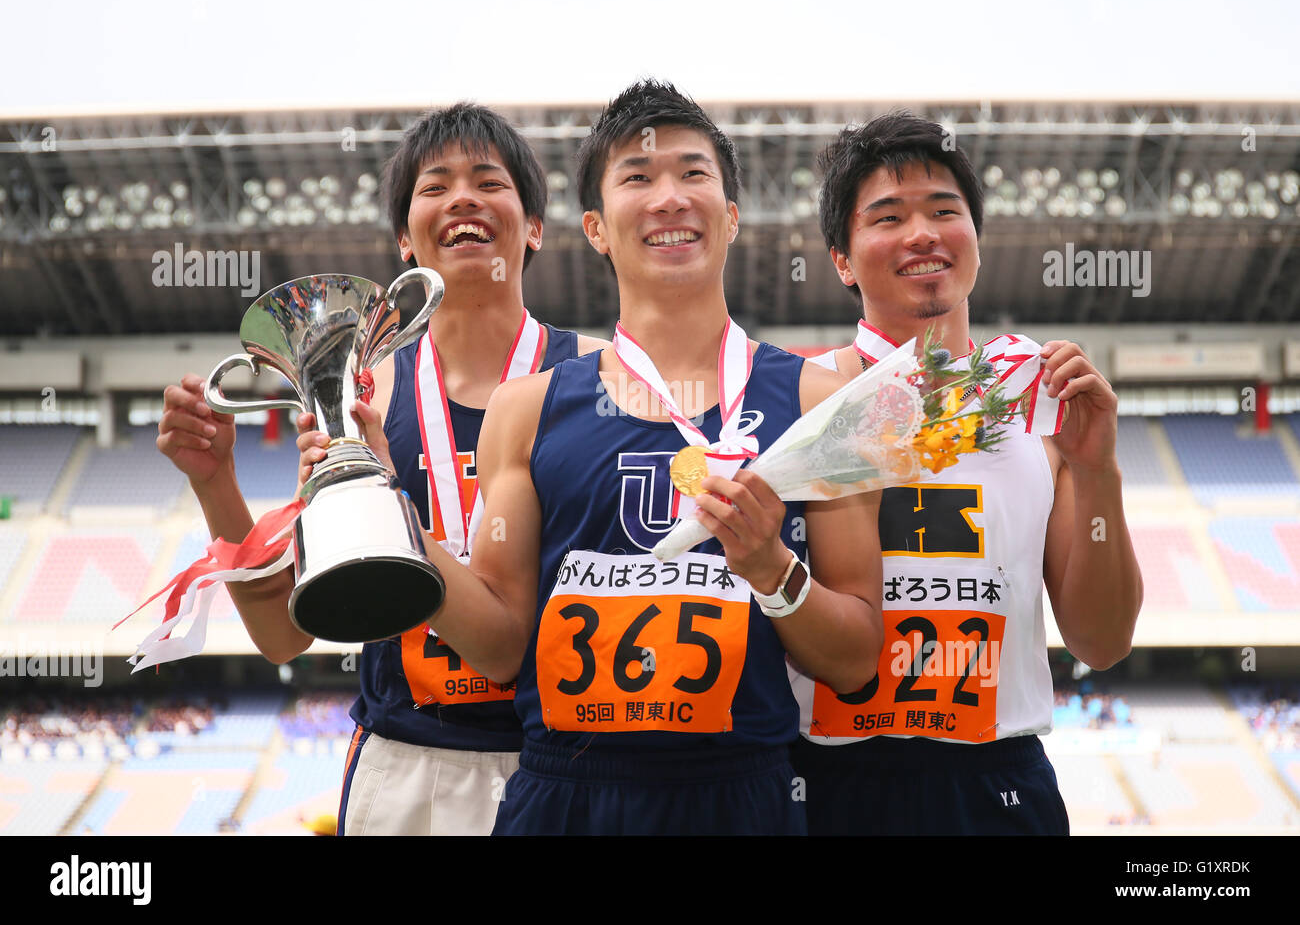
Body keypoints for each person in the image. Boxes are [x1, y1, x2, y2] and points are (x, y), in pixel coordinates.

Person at [343, 80, 885, 835]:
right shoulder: (525, 410)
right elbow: (500, 647)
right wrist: (384, 505)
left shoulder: (825, 401)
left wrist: (774, 572)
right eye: (638, 177)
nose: (668, 198)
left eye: (694, 174)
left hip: (744, 795)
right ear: (595, 228)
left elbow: (858, 659)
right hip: (564, 796)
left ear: (731, 217)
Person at [157, 103, 606, 835]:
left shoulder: (597, 378)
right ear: (406, 240)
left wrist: (389, 505)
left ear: (533, 228)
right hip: (406, 770)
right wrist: (215, 481)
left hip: (565, 761)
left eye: (488, 181)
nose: (462, 195)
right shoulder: (359, 394)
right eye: (435, 186)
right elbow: (283, 638)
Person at [789, 111, 1144, 834]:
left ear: (976, 240)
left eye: (945, 211)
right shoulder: (798, 399)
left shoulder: (1043, 400)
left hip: (998, 786)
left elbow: (1101, 642)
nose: (922, 233)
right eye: (887, 216)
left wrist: (1098, 468)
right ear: (842, 259)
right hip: (828, 776)